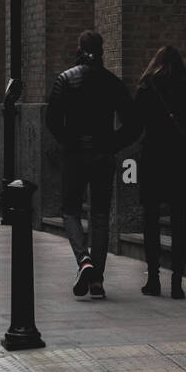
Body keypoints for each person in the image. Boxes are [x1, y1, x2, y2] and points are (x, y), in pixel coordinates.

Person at [46, 30, 137, 299]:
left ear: (79, 48)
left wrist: (68, 142)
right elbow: (133, 124)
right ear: (102, 51)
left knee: (70, 210)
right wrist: (112, 144)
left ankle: (83, 260)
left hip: (74, 155)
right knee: (99, 216)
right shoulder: (112, 82)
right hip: (103, 155)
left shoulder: (65, 79)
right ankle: (96, 279)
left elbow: (53, 121)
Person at [134, 45, 186, 300]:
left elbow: (136, 124)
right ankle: (177, 282)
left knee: (150, 221)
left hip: (153, 158)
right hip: (179, 160)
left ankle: (153, 279)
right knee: (179, 222)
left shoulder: (146, 90)